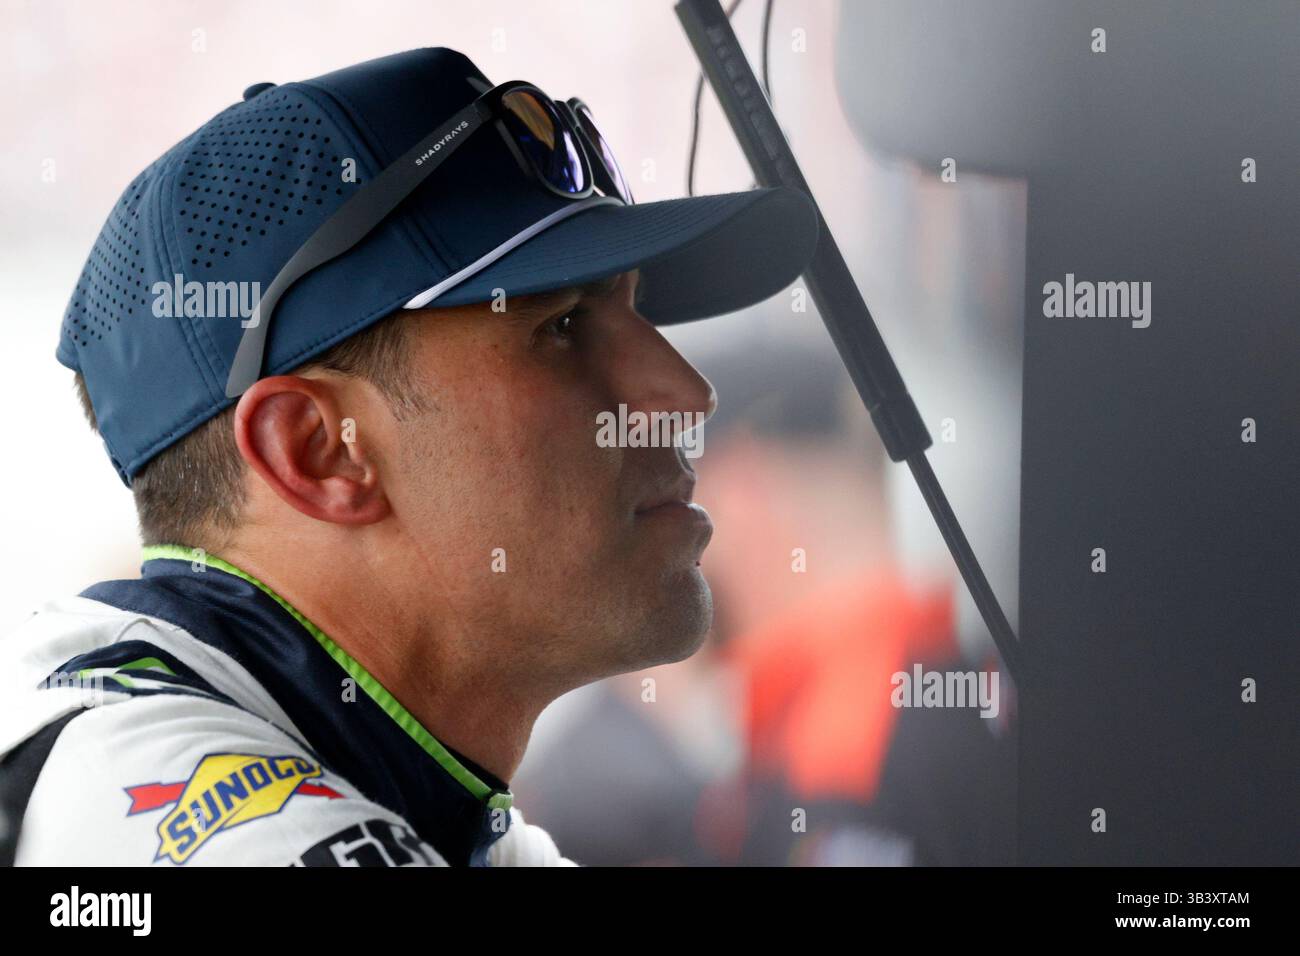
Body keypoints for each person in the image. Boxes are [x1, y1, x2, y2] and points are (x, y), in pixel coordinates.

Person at [0, 47, 818, 866]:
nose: (687, 394)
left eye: (635, 312)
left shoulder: (408, 790)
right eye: (563, 328)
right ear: (320, 452)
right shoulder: (231, 834)